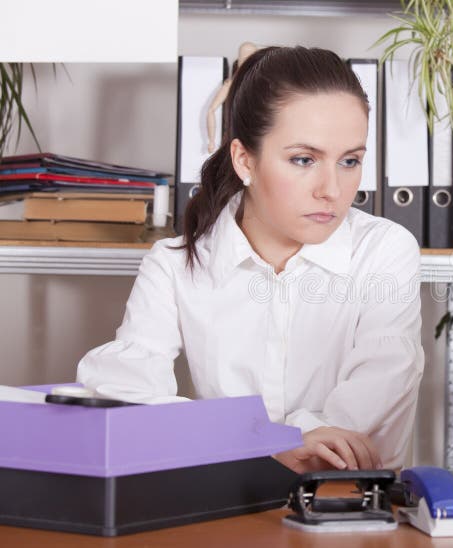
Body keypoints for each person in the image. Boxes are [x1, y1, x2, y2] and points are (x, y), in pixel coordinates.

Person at [77, 46, 424, 473]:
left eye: (350, 161)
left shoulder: (385, 251)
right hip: (228, 512)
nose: (332, 189)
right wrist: (269, 441)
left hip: (352, 515)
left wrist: (227, 440)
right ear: (245, 160)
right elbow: (120, 396)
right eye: (304, 160)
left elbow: (373, 410)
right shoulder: (174, 264)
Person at [206, 41, 259, 154]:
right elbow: (211, 109)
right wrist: (211, 140)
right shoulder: (231, 84)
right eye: (244, 57)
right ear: (239, 60)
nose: (247, 61)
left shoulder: (262, 84)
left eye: (251, 57)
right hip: (236, 135)